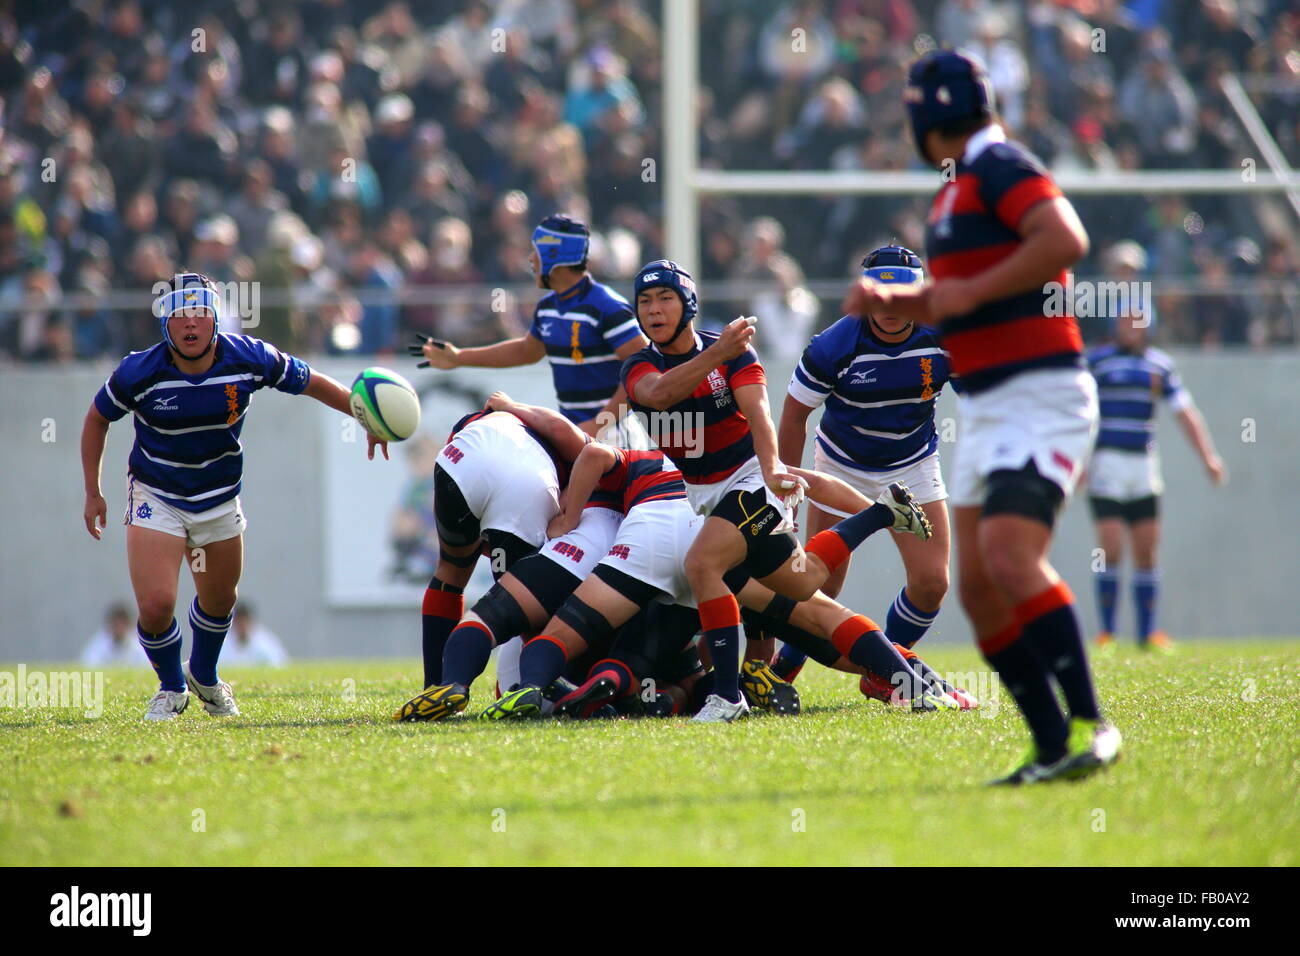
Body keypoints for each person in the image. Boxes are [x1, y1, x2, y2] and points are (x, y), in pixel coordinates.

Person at [845, 51, 1120, 783]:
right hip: (995, 405)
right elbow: (962, 294)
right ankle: (1051, 745)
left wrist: (962, 295)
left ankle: (1094, 725)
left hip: (1040, 392)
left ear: (924, 114)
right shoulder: (957, 186)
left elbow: (1064, 239)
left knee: (1009, 560)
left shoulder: (995, 161)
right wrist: (902, 302)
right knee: (975, 588)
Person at [621, 259, 933, 721]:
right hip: (704, 497)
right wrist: (716, 354)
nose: (654, 309)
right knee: (803, 584)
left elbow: (760, 412)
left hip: (747, 482)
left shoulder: (736, 356)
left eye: (665, 298)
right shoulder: (639, 366)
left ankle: (727, 696)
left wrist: (770, 467)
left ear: (687, 304)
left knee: (702, 564)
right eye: (645, 301)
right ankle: (881, 514)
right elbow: (659, 394)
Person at [80, 272, 387, 720]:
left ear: (215, 319)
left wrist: (363, 415)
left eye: (200, 312)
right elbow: (96, 420)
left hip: (219, 496)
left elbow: (312, 381)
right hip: (156, 494)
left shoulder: (249, 357)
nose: (190, 323)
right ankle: (171, 687)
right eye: (180, 313)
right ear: (165, 323)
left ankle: (203, 675)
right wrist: (93, 492)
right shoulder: (138, 372)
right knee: (156, 604)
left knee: (220, 599)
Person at [775, 244, 954, 688]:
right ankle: (781, 672)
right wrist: (783, 493)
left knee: (932, 583)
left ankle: (884, 670)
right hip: (841, 465)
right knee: (818, 585)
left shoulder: (945, 337)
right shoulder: (834, 344)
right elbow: (794, 415)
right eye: (879, 296)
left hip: (913, 465)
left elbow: (985, 397)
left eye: (902, 296)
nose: (889, 308)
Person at [409, 214, 647, 437]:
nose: (531, 260)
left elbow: (642, 366)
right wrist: (459, 357)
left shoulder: (606, 306)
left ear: (558, 258)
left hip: (617, 439)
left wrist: (600, 424)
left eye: (537, 252)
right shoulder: (549, 307)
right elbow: (525, 351)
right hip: (577, 436)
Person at [1087, 310, 1225, 652]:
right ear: (1114, 325)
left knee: (1147, 550)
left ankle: (1147, 633)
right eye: (1124, 321)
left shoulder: (1160, 366)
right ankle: (1107, 633)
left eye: (1137, 321)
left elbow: (1184, 412)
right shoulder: (1098, 363)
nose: (1130, 327)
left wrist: (1208, 457)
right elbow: (1080, 410)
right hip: (1106, 463)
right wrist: (1076, 462)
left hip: (1143, 466)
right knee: (1110, 547)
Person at [81, 602, 150, 668]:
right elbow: (88, 663)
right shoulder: (100, 643)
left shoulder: (137, 645)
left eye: (122, 623)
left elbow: (147, 665)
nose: (119, 627)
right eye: (116, 623)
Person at [222, 603, 290, 667]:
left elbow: (279, 663)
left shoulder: (265, 641)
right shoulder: (224, 641)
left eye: (244, 621)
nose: (241, 625)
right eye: (238, 621)